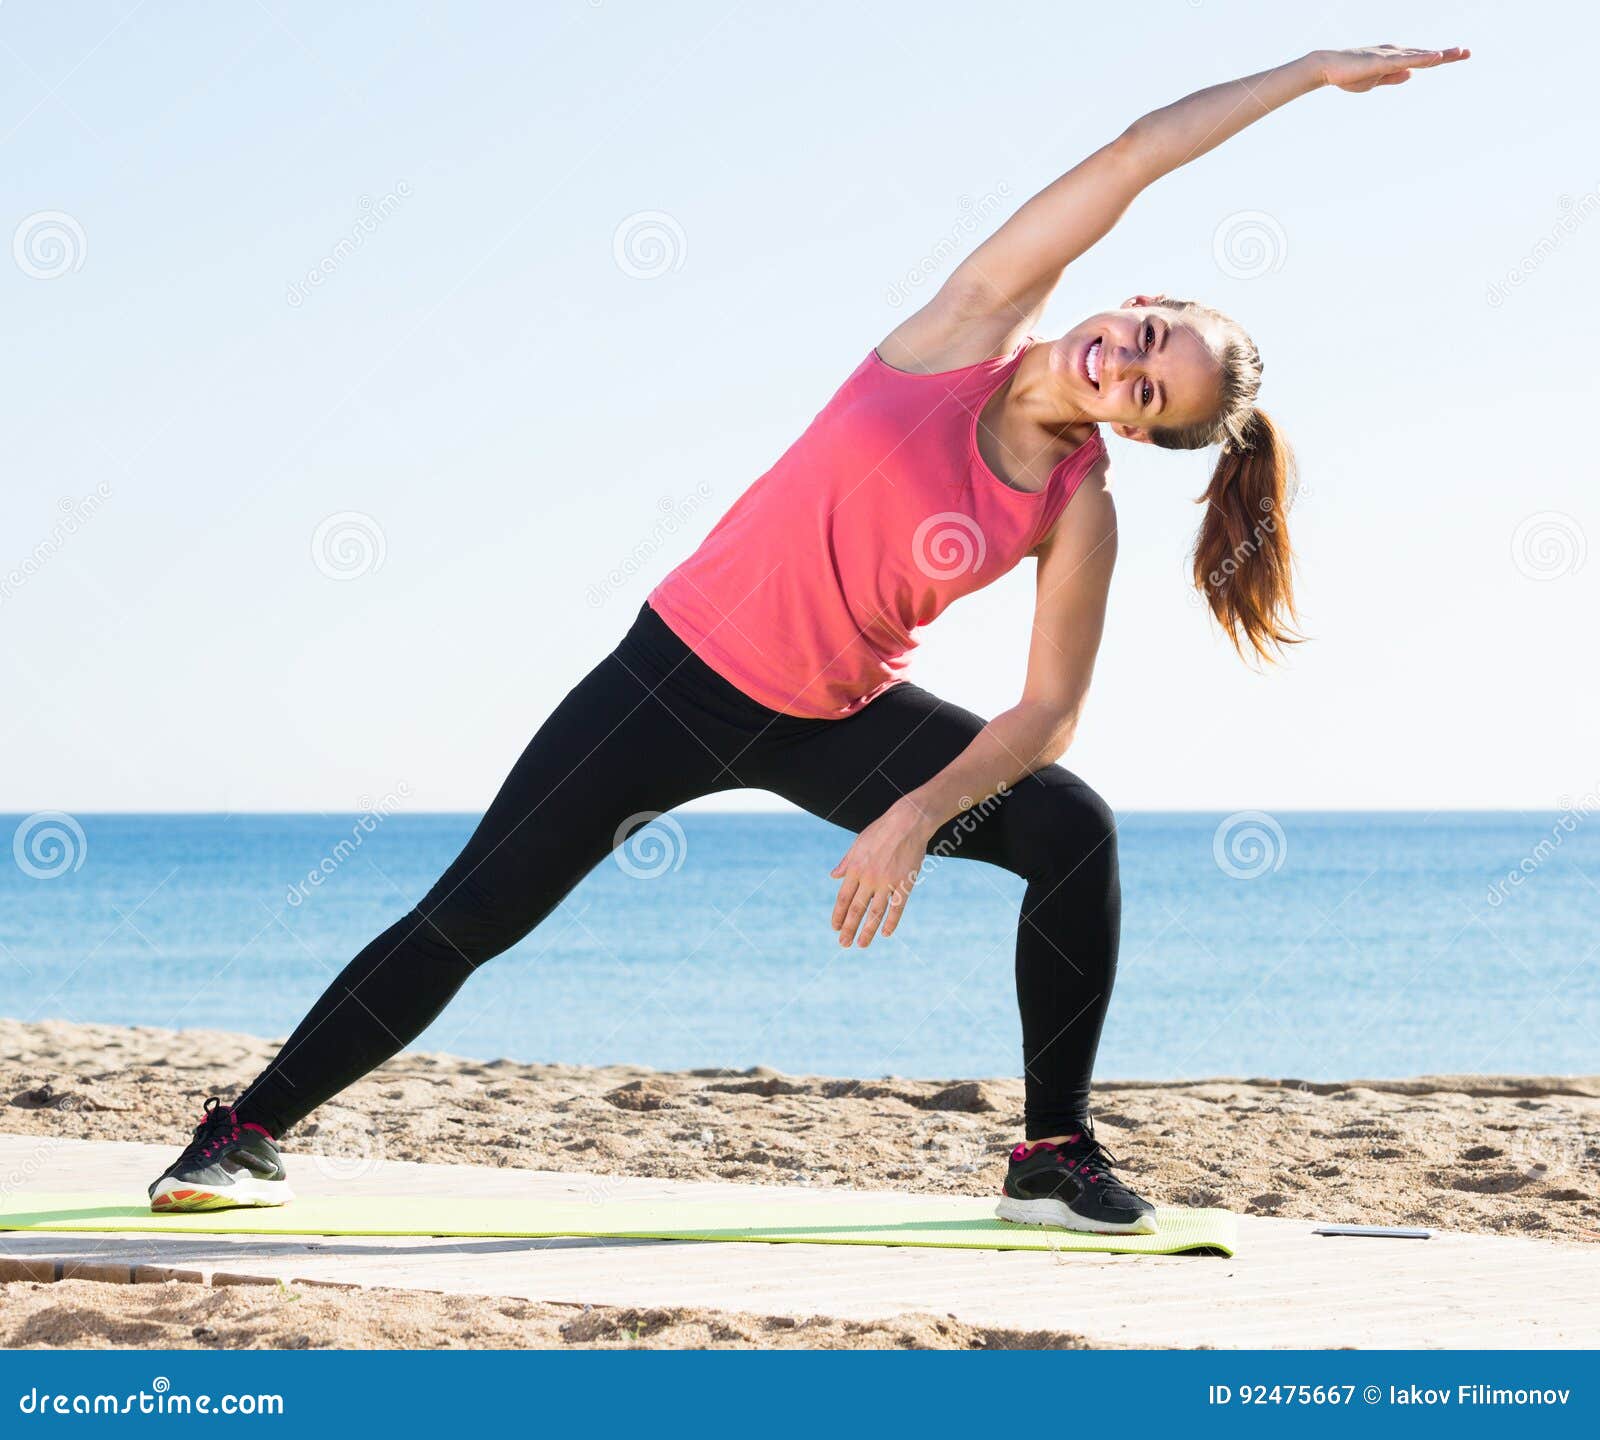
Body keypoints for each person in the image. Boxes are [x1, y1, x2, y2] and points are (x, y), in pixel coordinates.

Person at [149, 44, 1468, 1233]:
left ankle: (1050, 1153)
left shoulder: (1079, 510)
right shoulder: (967, 325)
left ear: (1133, 424)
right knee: (473, 914)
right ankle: (242, 1129)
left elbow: (1046, 712)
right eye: (1148, 335)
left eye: (1146, 388)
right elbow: (1136, 153)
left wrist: (910, 818)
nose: (1124, 360)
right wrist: (1303, 77)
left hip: (828, 720)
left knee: (1072, 823)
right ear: (1140, 299)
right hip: (667, 679)